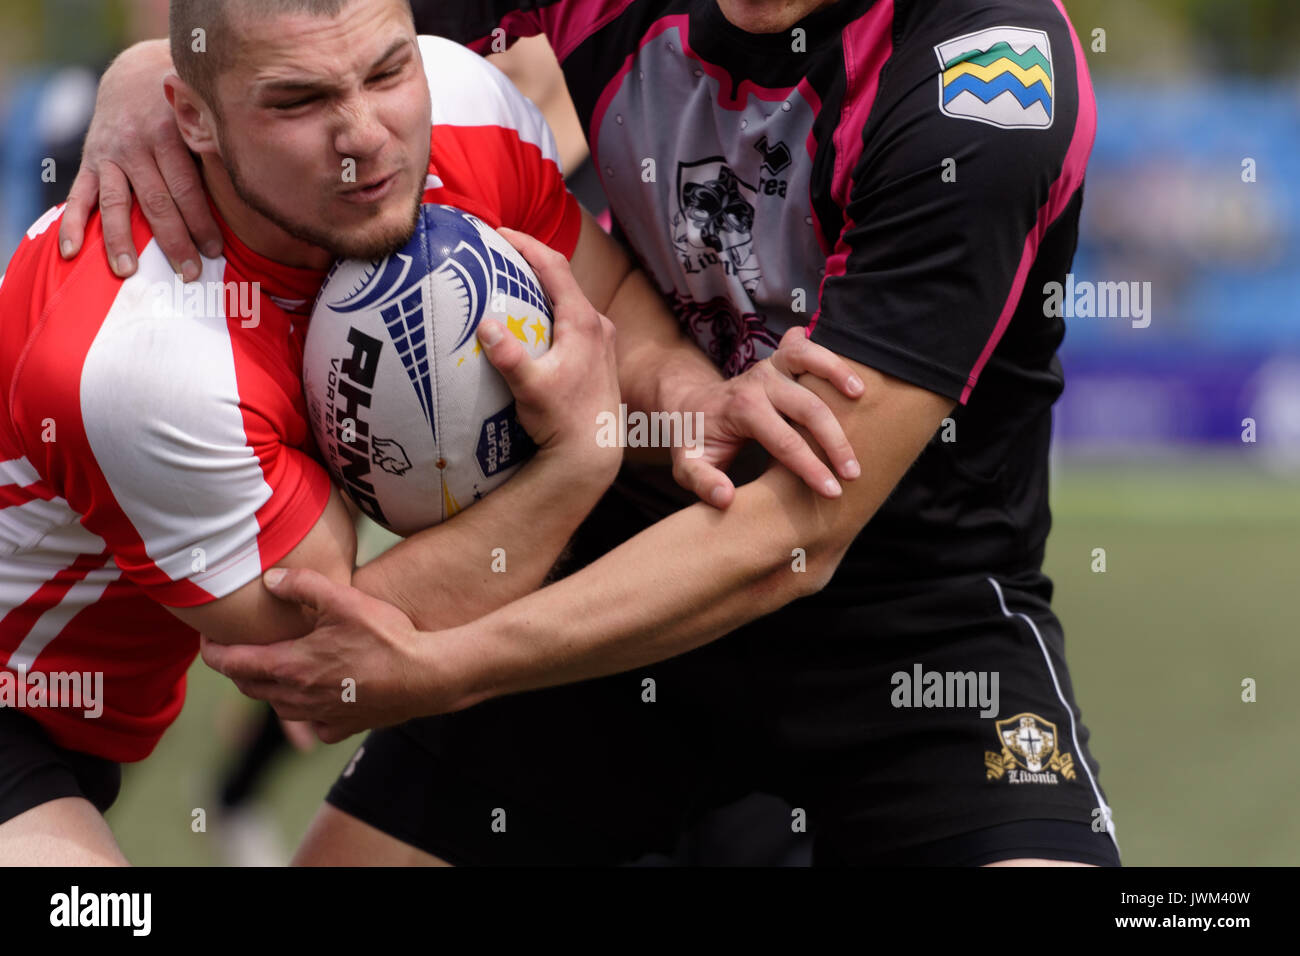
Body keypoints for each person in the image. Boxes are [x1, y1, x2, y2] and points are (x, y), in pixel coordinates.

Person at [66, 0, 1118, 867]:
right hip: (603, 574)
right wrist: (147, 73)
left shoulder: (985, 80)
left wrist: (450, 662)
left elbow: (792, 533)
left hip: (908, 626)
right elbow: (304, 28)